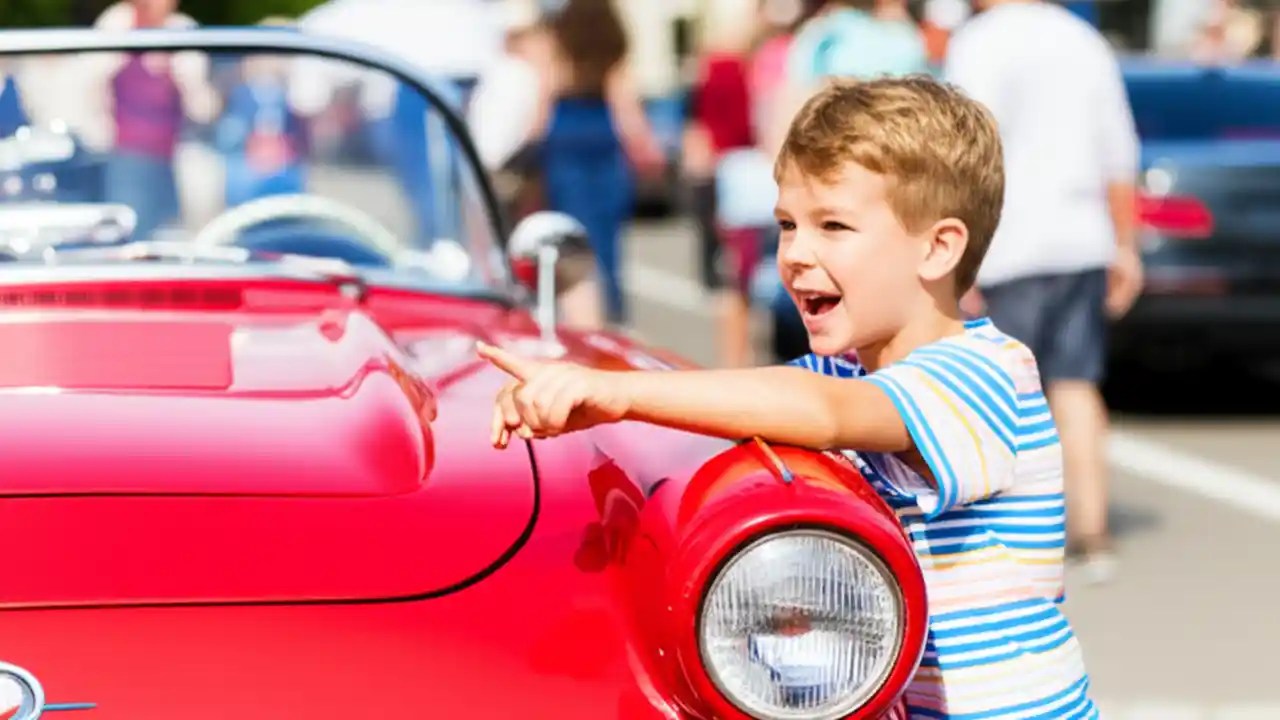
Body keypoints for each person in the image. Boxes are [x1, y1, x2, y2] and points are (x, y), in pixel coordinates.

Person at [476, 77, 1097, 719]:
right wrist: (581, 385)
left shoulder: (984, 374)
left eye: (833, 225)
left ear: (938, 248)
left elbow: (820, 413)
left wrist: (616, 392)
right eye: (786, 224)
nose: (796, 253)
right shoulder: (844, 373)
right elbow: (732, 402)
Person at [944, 0, 1143, 582]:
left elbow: (966, 150)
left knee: (998, 390)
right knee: (1076, 384)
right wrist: (1125, 244)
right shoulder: (1083, 39)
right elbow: (1118, 150)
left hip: (1010, 244)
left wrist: (962, 256)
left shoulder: (981, 41)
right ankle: (1093, 529)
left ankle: (1001, 536)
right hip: (1081, 238)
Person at [538, 0, 664, 329]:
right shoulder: (611, 55)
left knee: (569, 239)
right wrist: (648, 152)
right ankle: (606, 316)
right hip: (604, 151)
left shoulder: (559, 47)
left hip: (565, 148)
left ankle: (577, 315)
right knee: (605, 241)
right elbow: (628, 113)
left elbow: (541, 105)